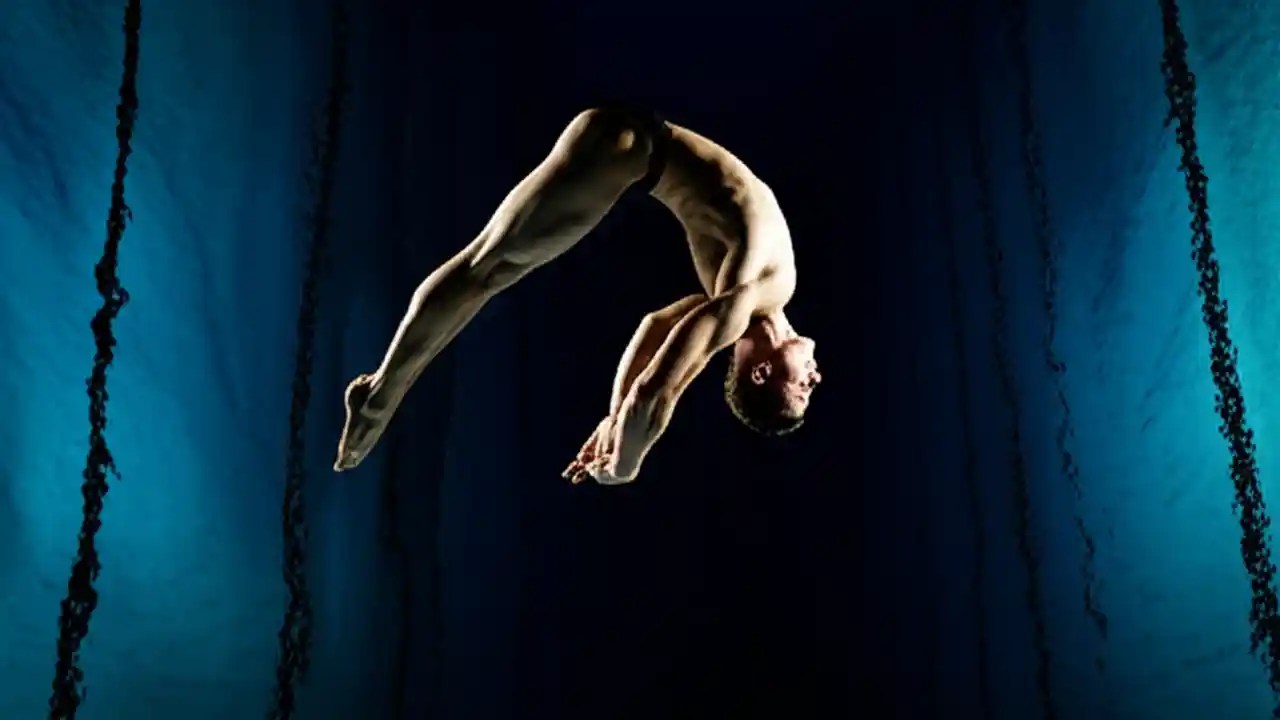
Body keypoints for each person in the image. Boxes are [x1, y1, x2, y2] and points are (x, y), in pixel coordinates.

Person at [333, 106, 822, 483]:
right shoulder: (754, 294)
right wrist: (625, 465)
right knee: (484, 269)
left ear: (761, 372)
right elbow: (657, 390)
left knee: (487, 269)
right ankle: (378, 399)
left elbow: (655, 330)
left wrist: (614, 419)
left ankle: (382, 393)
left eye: (802, 389)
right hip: (627, 147)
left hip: (629, 150)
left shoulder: (744, 297)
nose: (815, 378)